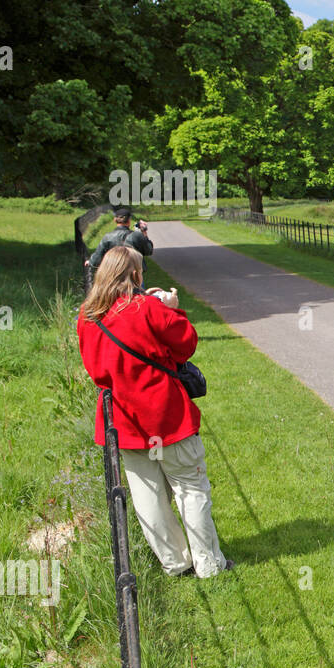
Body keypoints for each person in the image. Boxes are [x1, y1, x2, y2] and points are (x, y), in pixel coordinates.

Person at [76, 246, 232, 578]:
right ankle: (209, 563)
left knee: (147, 495)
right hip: (165, 414)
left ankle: (176, 562)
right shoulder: (147, 307)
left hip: (123, 418)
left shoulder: (87, 315)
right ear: (135, 275)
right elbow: (186, 343)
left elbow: (94, 369)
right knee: (190, 487)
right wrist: (171, 308)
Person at [87, 207, 153, 279]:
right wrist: (144, 232)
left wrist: (90, 261)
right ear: (129, 221)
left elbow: (96, 259)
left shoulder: (107, 237)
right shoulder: (137, 235)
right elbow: (149, 251)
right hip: (134, 275)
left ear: (115, 220)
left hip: (114, 275)